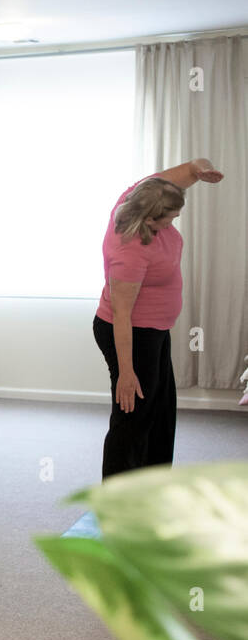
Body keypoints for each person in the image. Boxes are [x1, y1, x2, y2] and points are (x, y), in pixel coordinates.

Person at [93, 159, 222, 477]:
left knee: (161, 412)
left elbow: (188, 170)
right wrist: (126, 372)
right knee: (133, 415)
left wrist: (199, 170)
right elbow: (121, 316)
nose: (175, 221)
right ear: (150, 219)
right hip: (130, 334)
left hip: (154, 330)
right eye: (172, 218)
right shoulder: (131, 251)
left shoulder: (137, 195)